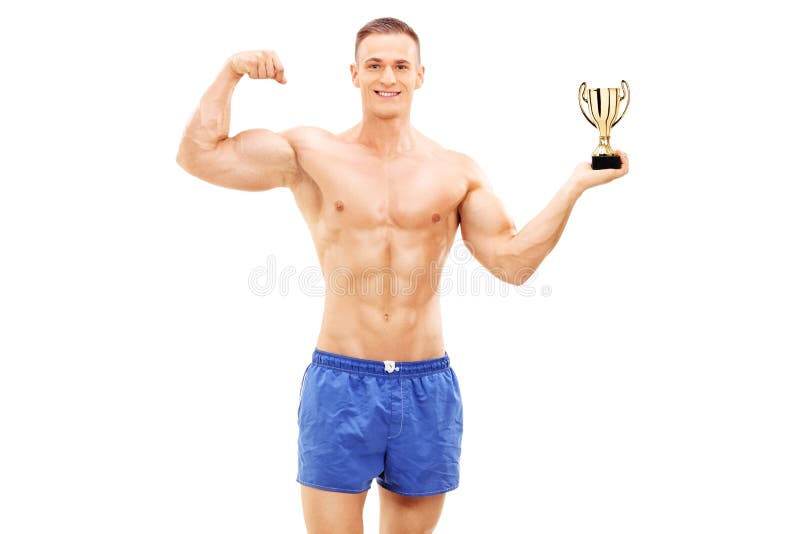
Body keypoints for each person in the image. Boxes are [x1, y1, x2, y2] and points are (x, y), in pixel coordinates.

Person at [176, 16, 629, 534]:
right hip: (341, 381)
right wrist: (231, 71)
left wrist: (574, 186)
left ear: (419, 76)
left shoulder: (456, 172)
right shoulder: (311, 153)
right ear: (354, 74)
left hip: (425, 386)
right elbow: (198, 156)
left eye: (399, 65)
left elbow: (513, 263)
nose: (386, 76)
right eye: (374, 65)